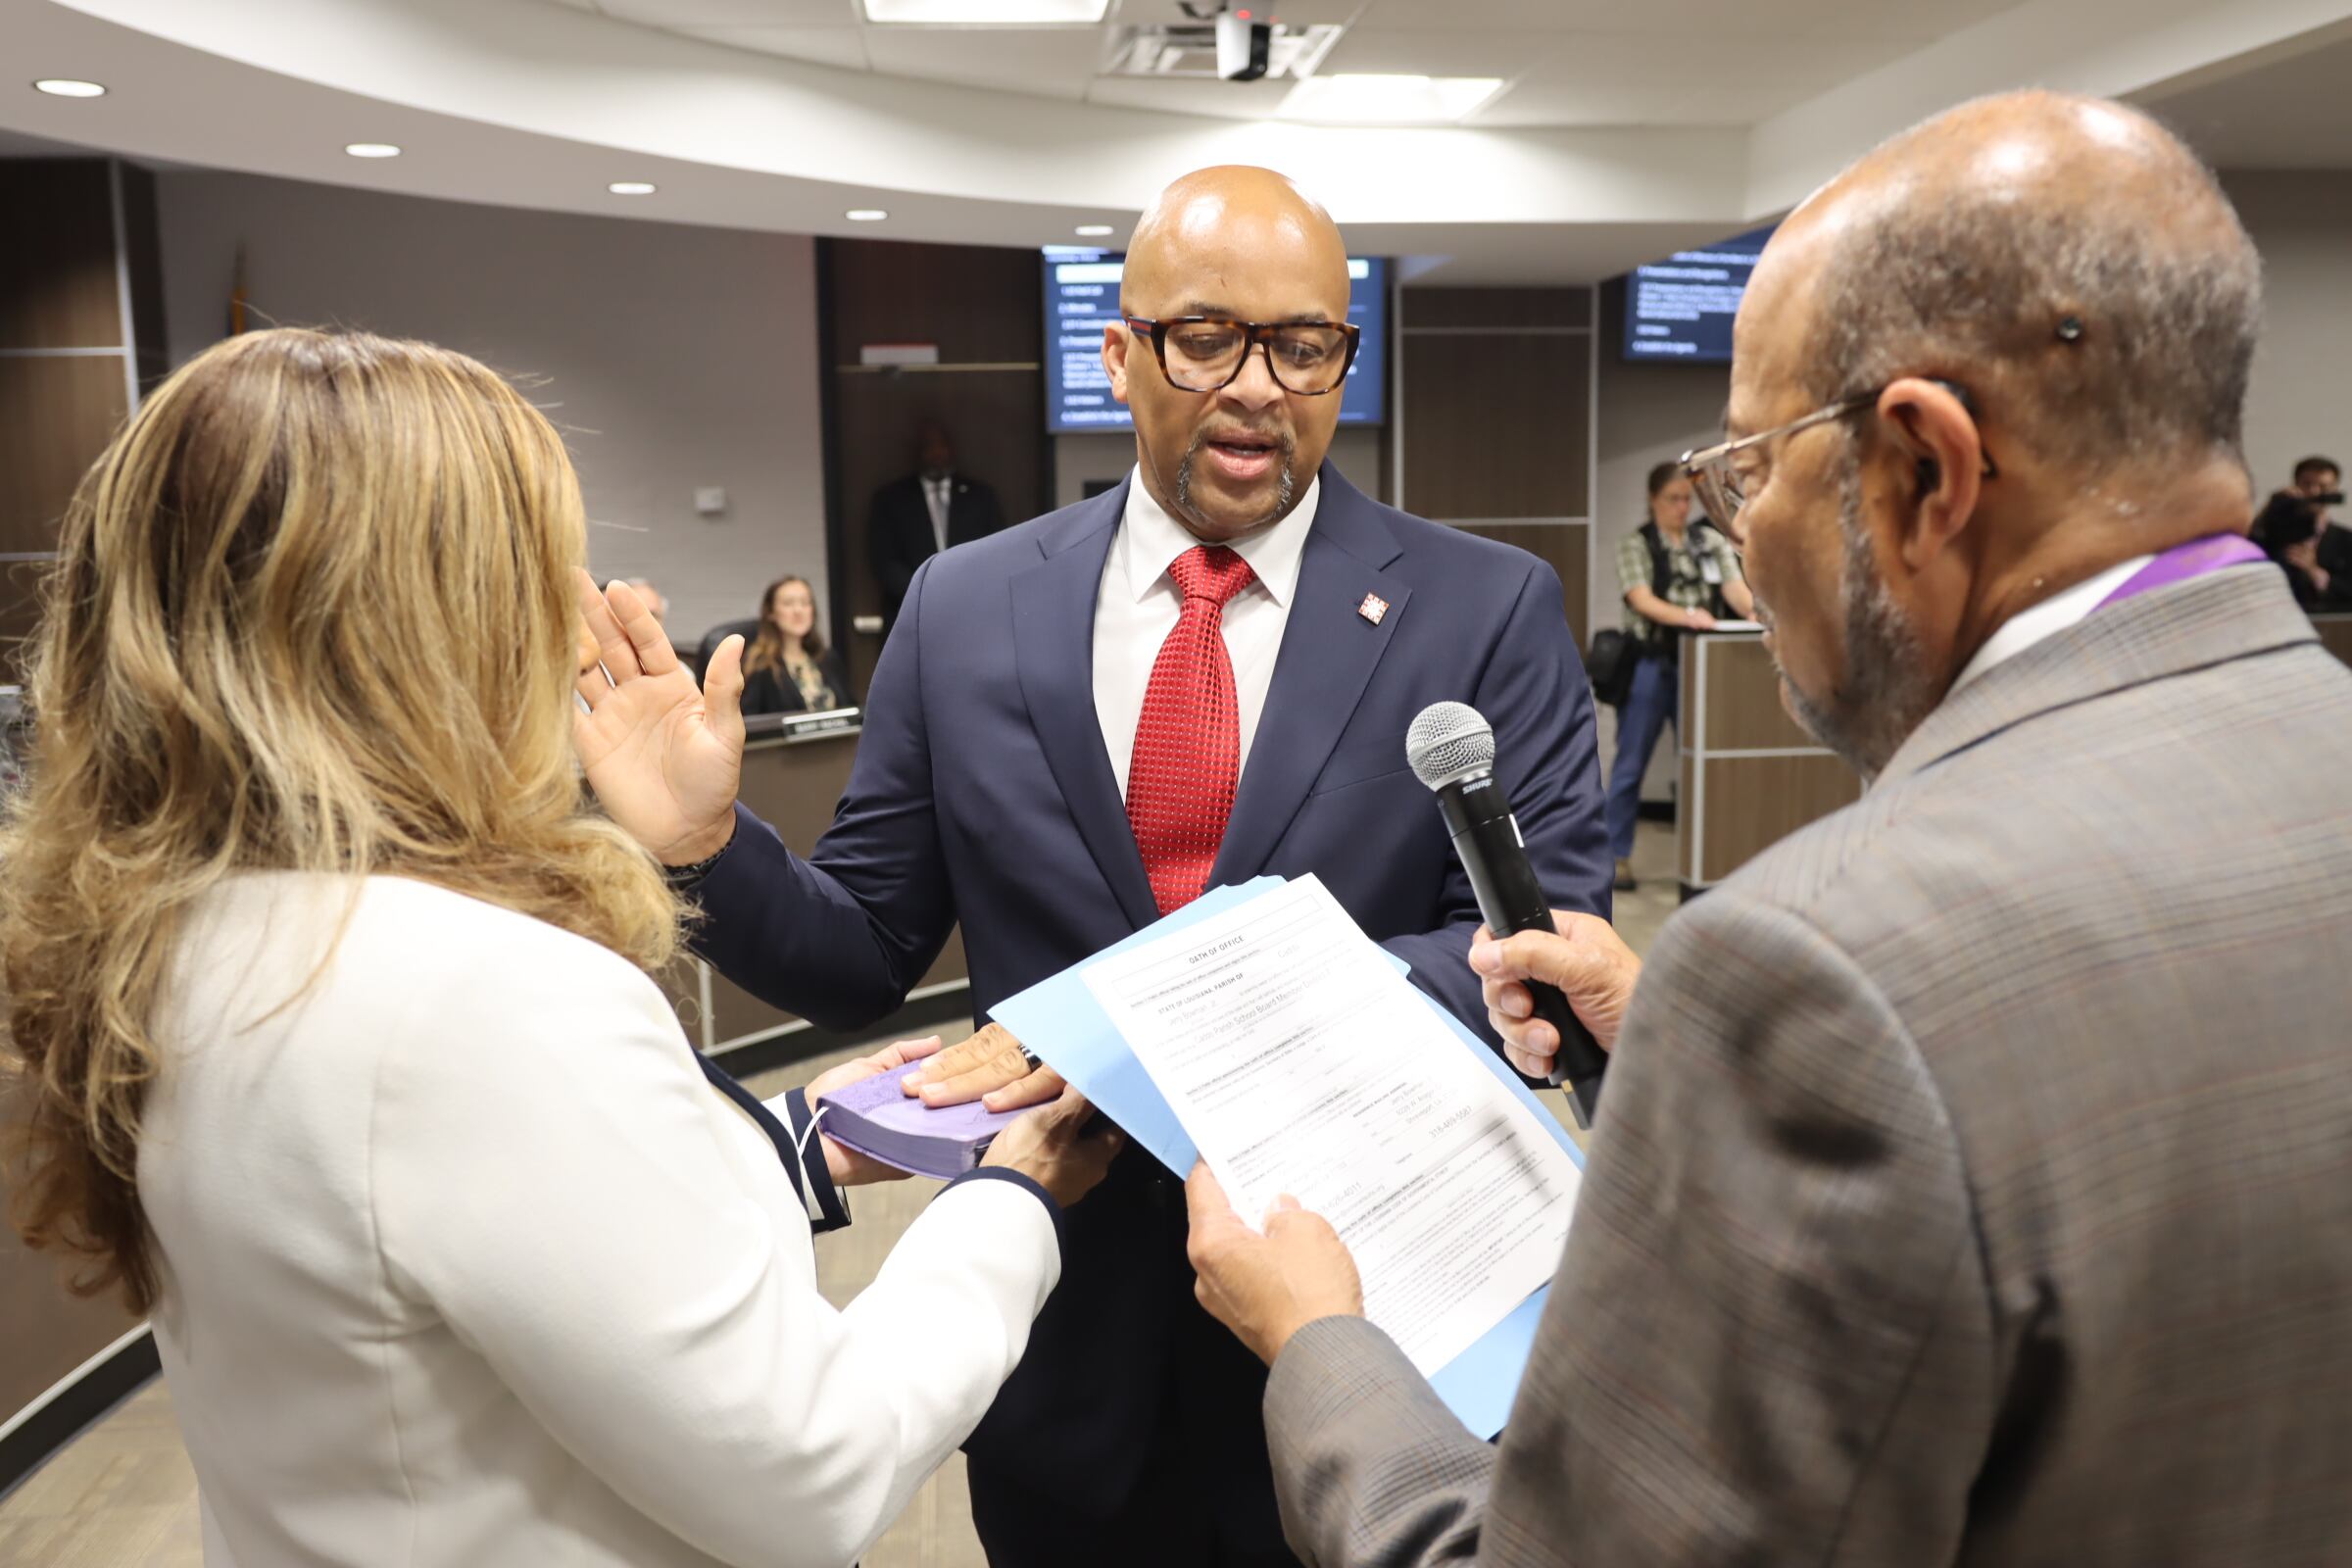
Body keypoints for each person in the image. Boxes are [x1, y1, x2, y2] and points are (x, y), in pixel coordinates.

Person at [1185, 91, 2352, 1567]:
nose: (1742, 532)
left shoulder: (1816, 967)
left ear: (1924, 471)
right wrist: (1665, 1043)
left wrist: (1322, 1346)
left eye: (1755, 466)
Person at [573, 165, 1611, 1568]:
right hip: (1065, 1345)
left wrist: (1133, 1031)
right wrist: (700, 843)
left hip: (1373, 1338)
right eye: (1206, 337)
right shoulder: (967, 605)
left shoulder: (1483, 606)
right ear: (1119, 356)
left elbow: (1532, 944)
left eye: (1304, 346)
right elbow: (862, 945)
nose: (1258, 385)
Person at [0, 328, 1119, 1568]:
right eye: (540, 565)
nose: (575, 607)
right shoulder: (477, 998)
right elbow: (814, 1463)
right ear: (422, 620)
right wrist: (1013, 1197)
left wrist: (788, 1142)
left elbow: (451, 1246)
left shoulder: (192, 932)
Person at [1604, 462, 1753, 889]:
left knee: (1706, 765)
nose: (1682, 507)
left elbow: (1735, 590)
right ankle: (1617, 856)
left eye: (1687, 498)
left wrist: (1759, 611)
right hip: (1652, 664)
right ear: (1654, 500)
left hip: (1703, 666)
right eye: (1674, 499)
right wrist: (1688, 616)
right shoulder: (1636, 544)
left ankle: (1711, 855)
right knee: (1631, 764)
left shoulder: (1706, 541)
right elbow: (1641, 599)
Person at [868, 421, 1005, 622]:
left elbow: (997, 552)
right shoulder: (891, 500)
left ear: (951, 450)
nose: (936, 453)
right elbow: (885, 562)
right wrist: (926, 594)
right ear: (918, 453)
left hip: (972, 612)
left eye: (942, 446)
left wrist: (964, 593)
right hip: (911, 614)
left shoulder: (980, 497)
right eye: (929, 446)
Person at [741, 574, 853, 714]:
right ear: (771, 612)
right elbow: (752, 725)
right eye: (788, 603)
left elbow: (850, 709)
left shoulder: (828, 659)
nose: (798, 611)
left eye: (805, 603)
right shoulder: (760, 665)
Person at [2251, 455, 2347, 609]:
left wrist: (2315, 572)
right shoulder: (2271, 533)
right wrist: (2271, 506)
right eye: (2306, 484)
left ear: (2334, 491)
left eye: (2323, 487)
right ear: (2295, 485)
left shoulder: (2346, 540)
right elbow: (2248, 549)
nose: (2314, 492)